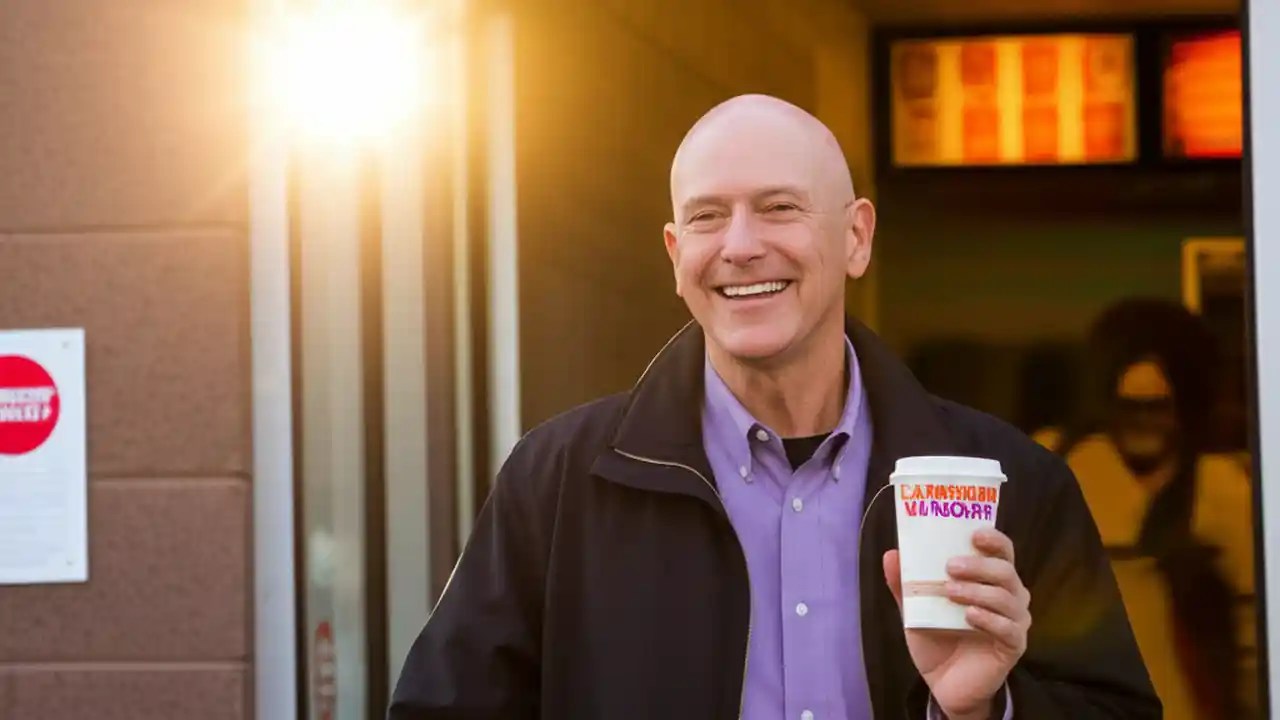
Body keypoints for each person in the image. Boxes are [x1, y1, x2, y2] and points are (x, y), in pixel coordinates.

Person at [389, 95, 1159, 719]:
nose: (741, 245)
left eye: (779, 207)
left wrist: (987, 713)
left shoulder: (1012, 489)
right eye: (707, 216)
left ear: (857, 238)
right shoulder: (557, 484)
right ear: (674, 255)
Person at [1057, 298, 1256, 719]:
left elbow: (1253, 641)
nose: (1144, 424)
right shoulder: (1065, 472)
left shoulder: (1218, 488)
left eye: (1158, 408)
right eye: (1130, 408)